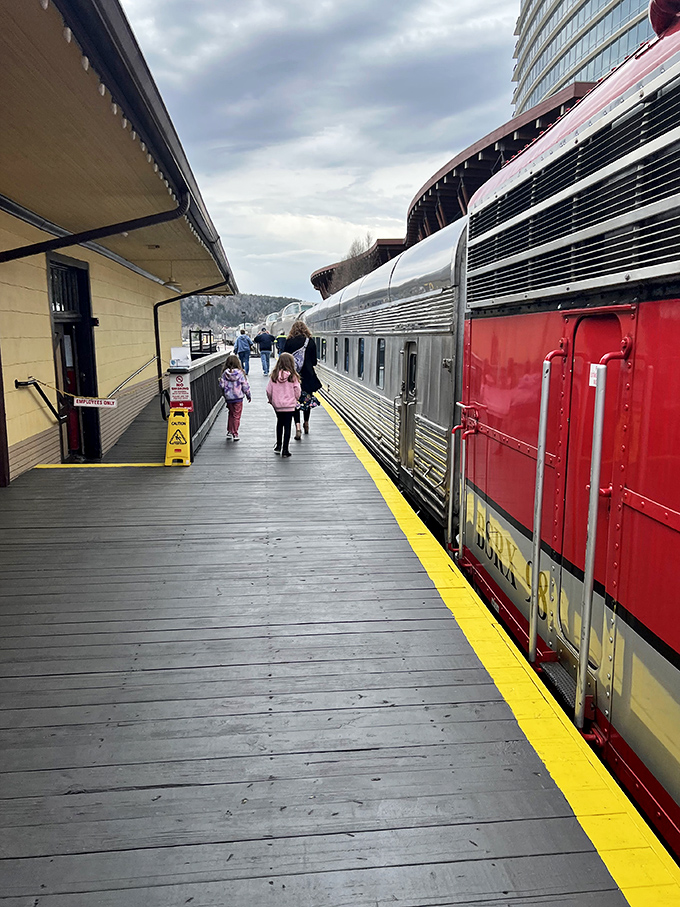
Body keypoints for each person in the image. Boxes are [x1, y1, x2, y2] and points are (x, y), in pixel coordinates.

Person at [284, 320, 321, 440]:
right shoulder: (310, 342)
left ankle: (298, 427)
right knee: (307, 402)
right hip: (308, 377)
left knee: (295, 402)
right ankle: (306, 423)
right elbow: (314, 361)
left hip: (293, 376)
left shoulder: (289, 342)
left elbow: (284, 359)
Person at [265, 352, 301, 458]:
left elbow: (268, 391)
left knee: (279, 424)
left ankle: (278, 446)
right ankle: (285, 450)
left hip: (278, 406)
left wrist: (271, 400)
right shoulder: (293, 376)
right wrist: (296, 399)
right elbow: (297, 390)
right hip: (290, 405)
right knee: (288, 426)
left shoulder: (274, 376)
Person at [218, 354, 251, 441]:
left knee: (231, 414)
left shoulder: (225, 373)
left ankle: (229, 431)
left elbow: (222, 385)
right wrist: (248, 395)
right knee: (237, 415)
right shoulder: (240, 373)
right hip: (238, 397)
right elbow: (245, 385)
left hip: (229, 398)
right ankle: (235, 433)